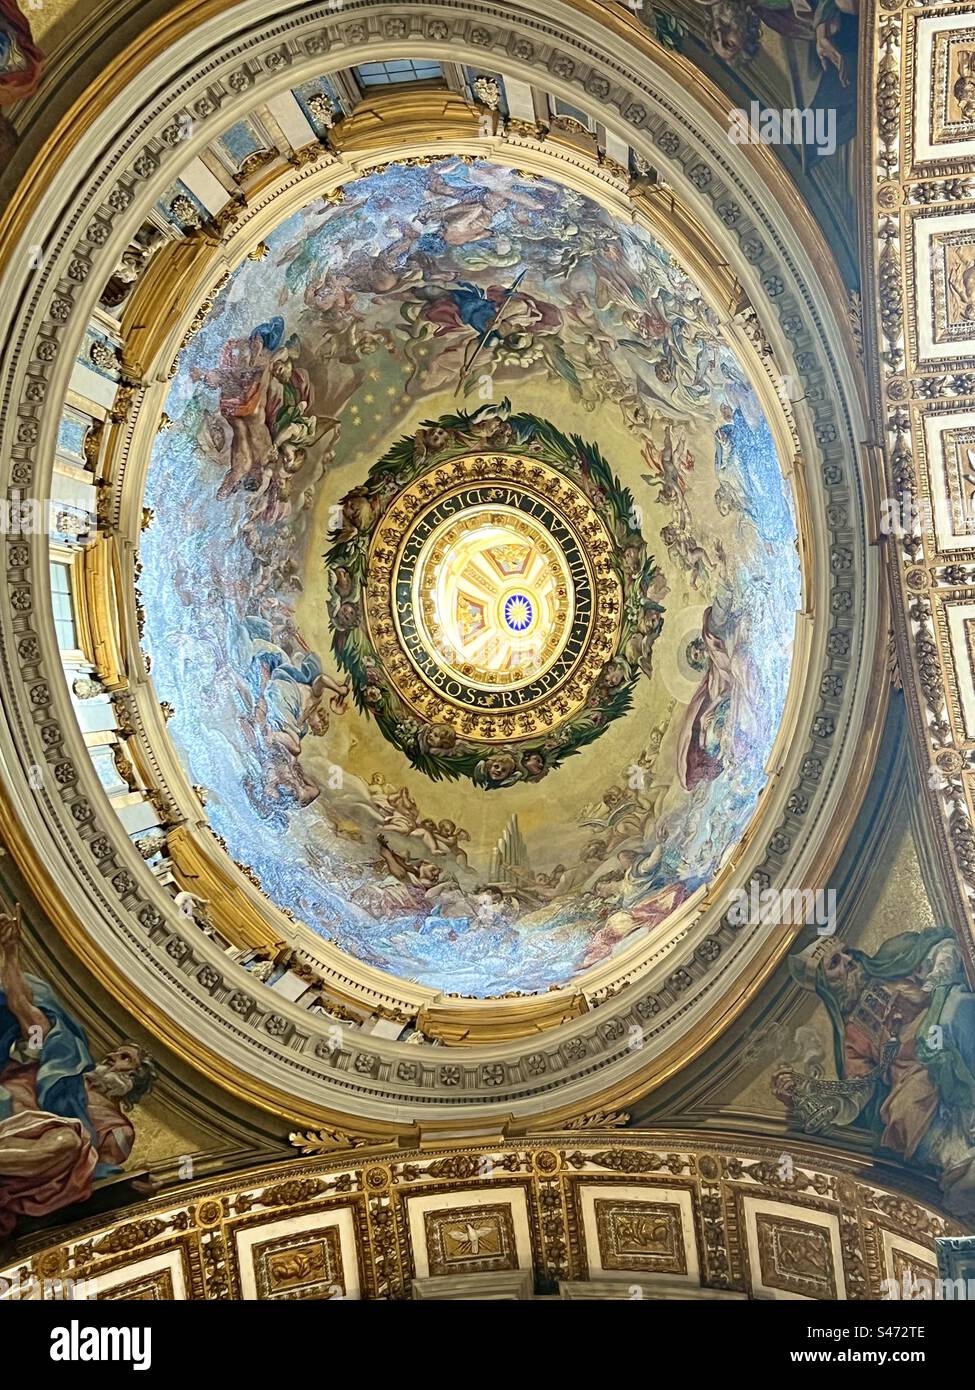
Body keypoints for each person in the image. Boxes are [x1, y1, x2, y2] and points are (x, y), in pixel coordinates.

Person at [0, 908, 157, 1237]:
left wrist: (128, 1186)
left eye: (125, 1058)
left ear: (129, 1082)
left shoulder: (118, 1132)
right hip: (7, 1110)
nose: (113, 1056)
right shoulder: (69, 1057)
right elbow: (27, 1014)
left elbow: (98, 1174)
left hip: (31, 1155)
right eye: (117, 1052)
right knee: (41, 1011)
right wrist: (12, 955)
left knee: (70, 1140)